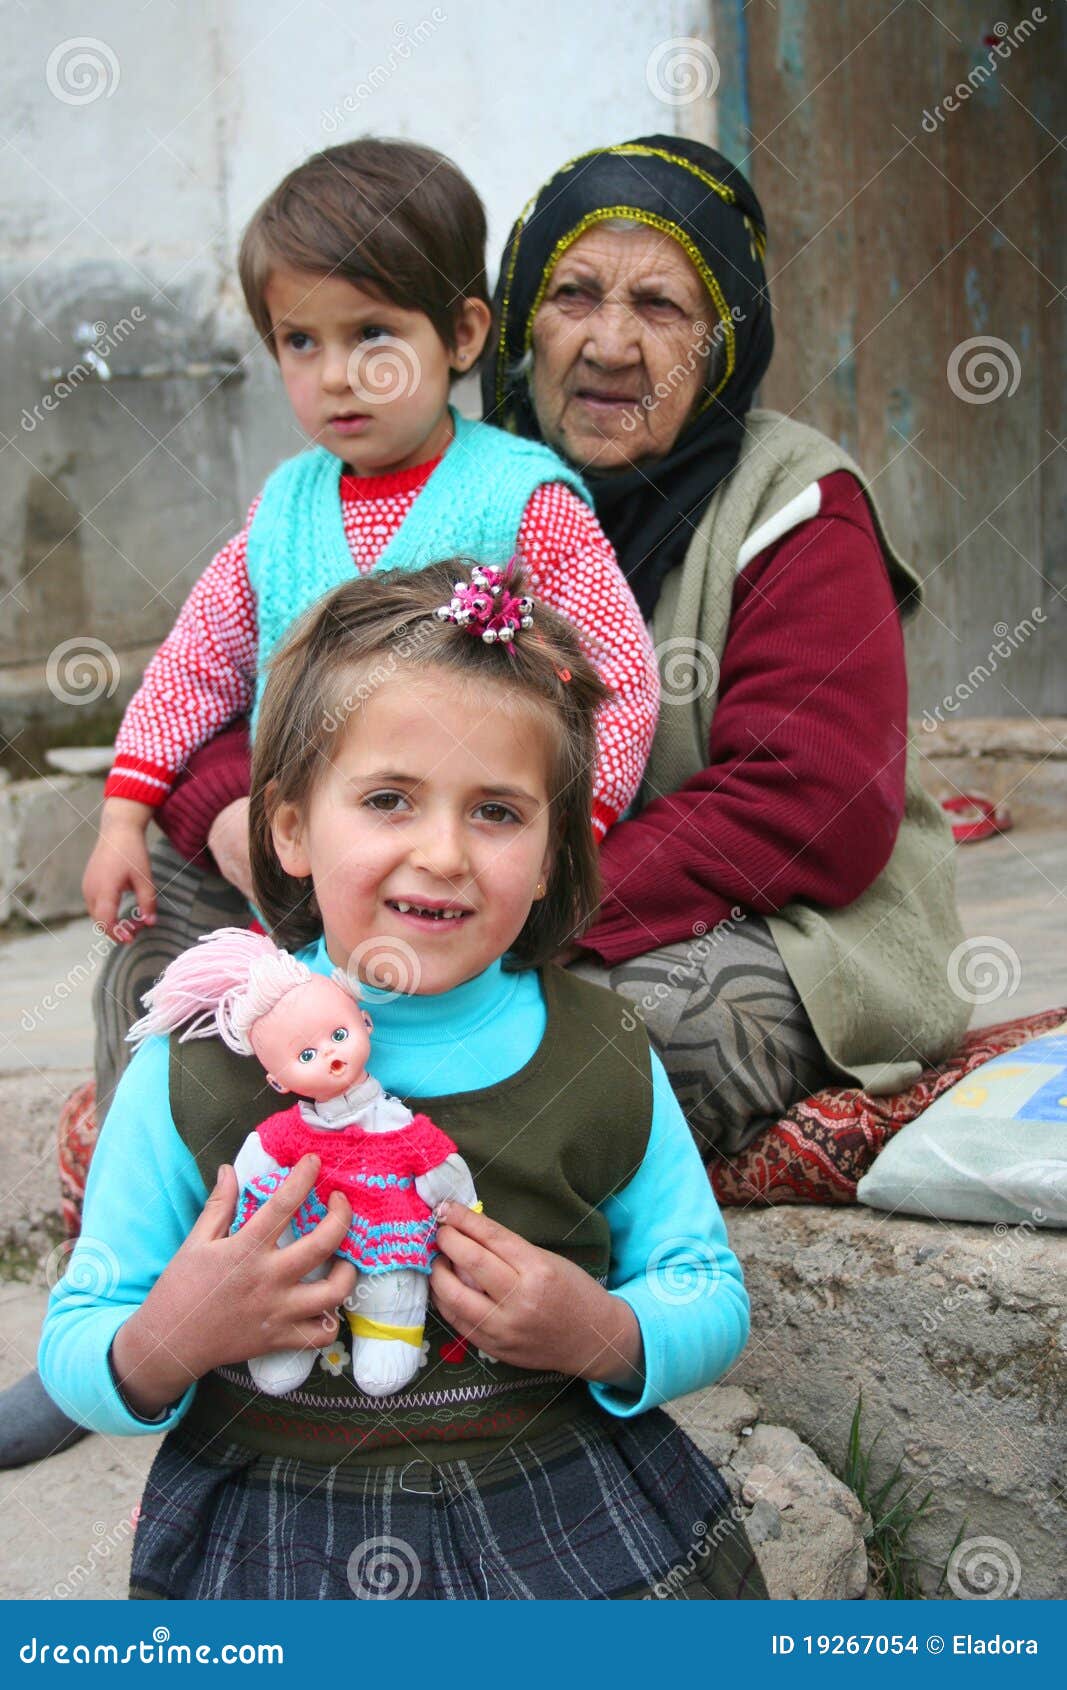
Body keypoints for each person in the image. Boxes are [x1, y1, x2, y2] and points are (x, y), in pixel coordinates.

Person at [0, 137, 659, 1469]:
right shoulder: (286, 504)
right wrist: (127, 811)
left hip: (435, 875)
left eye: (374, 334)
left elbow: (619, 684)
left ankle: (371, 1258)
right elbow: (195, 660)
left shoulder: (517, 499)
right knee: (150, 974)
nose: (335, 375)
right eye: (298, 342)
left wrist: (554, 846)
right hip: (285, 860)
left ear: (463, 331)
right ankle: (147, 1299)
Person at [39, 561, 766, 1601]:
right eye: (388, 799)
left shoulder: (601, 1049)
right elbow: (79, 1334)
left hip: (557, 1500)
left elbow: (706, 1287)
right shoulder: (194, 1064)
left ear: (557, 846)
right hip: (275, 1530)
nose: (442, 853)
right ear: (288, 827)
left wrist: (602, 1330)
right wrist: (167, 1340)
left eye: (498, 812)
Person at [481, 134, 970, 1155]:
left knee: (609, 1040)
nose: (609, 346)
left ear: (722, 344)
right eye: (572, 295)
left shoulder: (796, 504)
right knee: (193, 978)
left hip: (781, 925)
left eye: (660, 307)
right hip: (485, 897)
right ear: (519, 322)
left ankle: (499, 1294)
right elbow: (282, 669)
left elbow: (806, 797)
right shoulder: (474, 487)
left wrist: (531, 903)